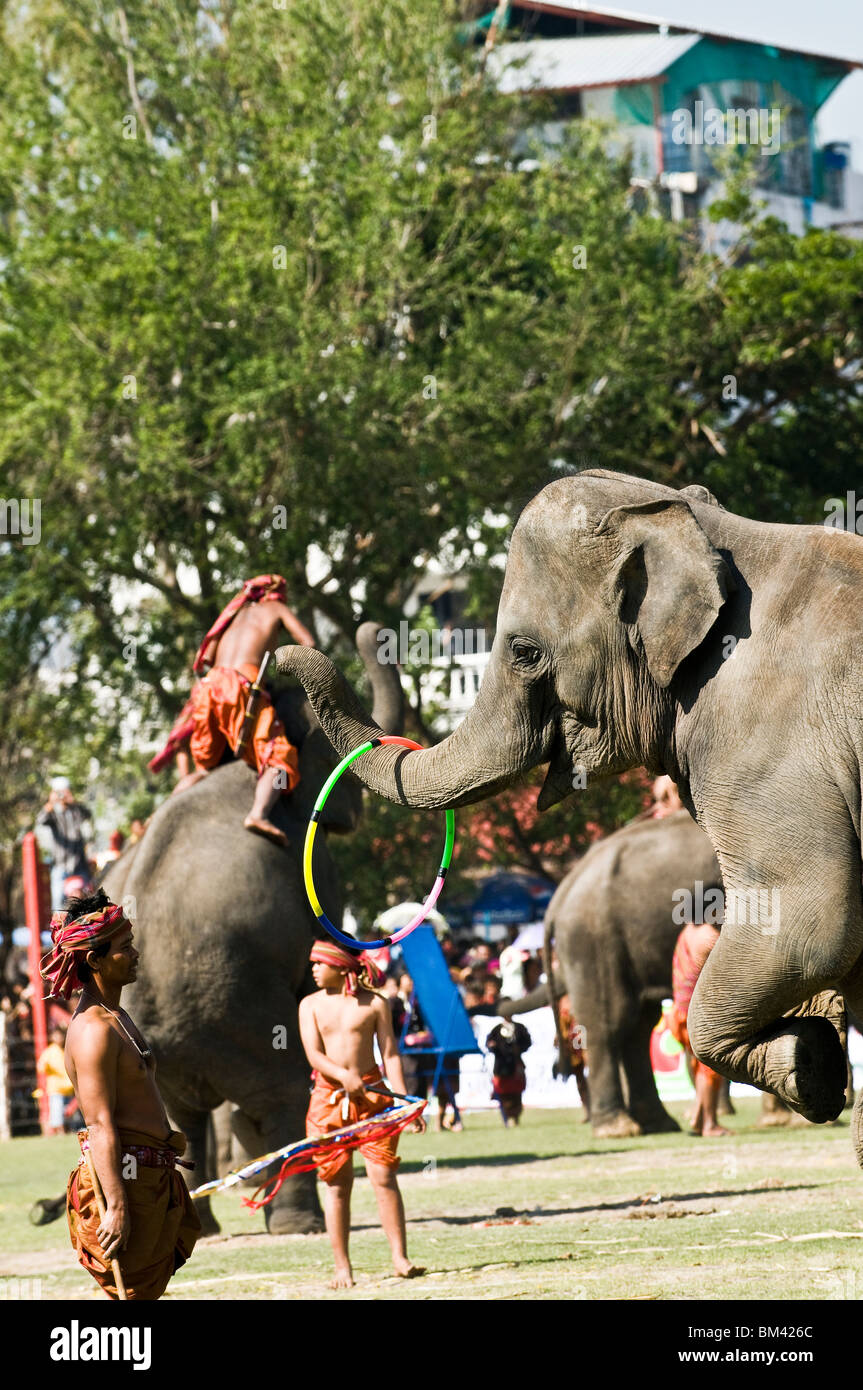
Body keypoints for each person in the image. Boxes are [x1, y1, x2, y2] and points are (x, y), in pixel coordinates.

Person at [41, 889, 201, 1300]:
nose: (135, 954)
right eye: (124, 948)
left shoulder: (115, 1016)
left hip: (150, 1178)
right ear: (94, 960)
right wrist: (116, 1206)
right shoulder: (93, 1030)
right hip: (125, 1184)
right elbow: (99, 1125)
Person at [299, 941, 426, 1289]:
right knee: (337, 1185)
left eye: (318, 963)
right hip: (329, 1100)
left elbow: (391, 1054)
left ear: (341, 967)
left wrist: (406, 1101)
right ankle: (342, 1267)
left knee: (383, 1176)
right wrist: (343, 1077)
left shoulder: (375, 1003)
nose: (312, 969)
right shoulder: (309, 1005)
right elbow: (313, 1055)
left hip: (374, 1097)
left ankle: (400, 1257)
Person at [184, 573, 315, 847]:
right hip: (243, 687)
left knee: (205, 769)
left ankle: (159, 816)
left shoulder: (235, 613)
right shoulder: (275, 607)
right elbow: (309, 644)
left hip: (209, 689)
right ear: (276, 593)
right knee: (279, 758)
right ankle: (258, 814)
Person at [669, 921, 728, 1138]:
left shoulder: (687, 931)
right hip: (700, 1014)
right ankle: (710, 1125)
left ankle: (699, 1116)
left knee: (698, 1065)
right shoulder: (710, 937)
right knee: (709, 1069)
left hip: (681, 1011)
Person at [36, 778, 93, 911]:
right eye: (59, 792)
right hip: (60, 866)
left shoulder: (76, 811)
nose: (62, 795)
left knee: (88, 902)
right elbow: (40, 819)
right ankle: (61, 930)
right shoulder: (53, 814)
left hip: (80, 866)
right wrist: (51, 802)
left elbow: (88, 814)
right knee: (58, 905)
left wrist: (73, 801)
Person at [486, 1020, 532, 1126]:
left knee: (516, 1094)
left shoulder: (519, 1028)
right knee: (503, 1095)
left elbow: (527, 1042)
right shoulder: (496, 1029)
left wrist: (519, 1048)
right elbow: (489, 1044)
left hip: (516, 1065)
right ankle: (506, 1118)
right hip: (501, 1066)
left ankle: (516, 1118)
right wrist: (494, 1046)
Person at [37, 1027, 76, 1135]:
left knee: (67, 1115)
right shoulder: (49, 1051)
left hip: (68, 1089)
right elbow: (40, 1066)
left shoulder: (64, 1050)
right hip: (56, 1089)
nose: (59, 1038)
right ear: (52, 1037)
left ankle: (65, 1133)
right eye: (56, 1035)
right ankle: (60, 1133)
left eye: (60, 1035)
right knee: (57, 1114)